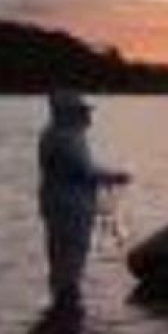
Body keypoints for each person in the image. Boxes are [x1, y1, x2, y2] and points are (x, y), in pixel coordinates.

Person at [38, 91, 129, 312]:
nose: (88, 116)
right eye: (83, 111)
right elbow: (85, 171)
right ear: (68, 113)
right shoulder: (66, 137)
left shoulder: (57, 134)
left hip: (60, 205)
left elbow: (82, 169)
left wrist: (108, 175)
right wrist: (116, 176)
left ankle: (61, 308)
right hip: (70, 209)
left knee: (60, 259)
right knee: (70, 260)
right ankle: (66, 306)